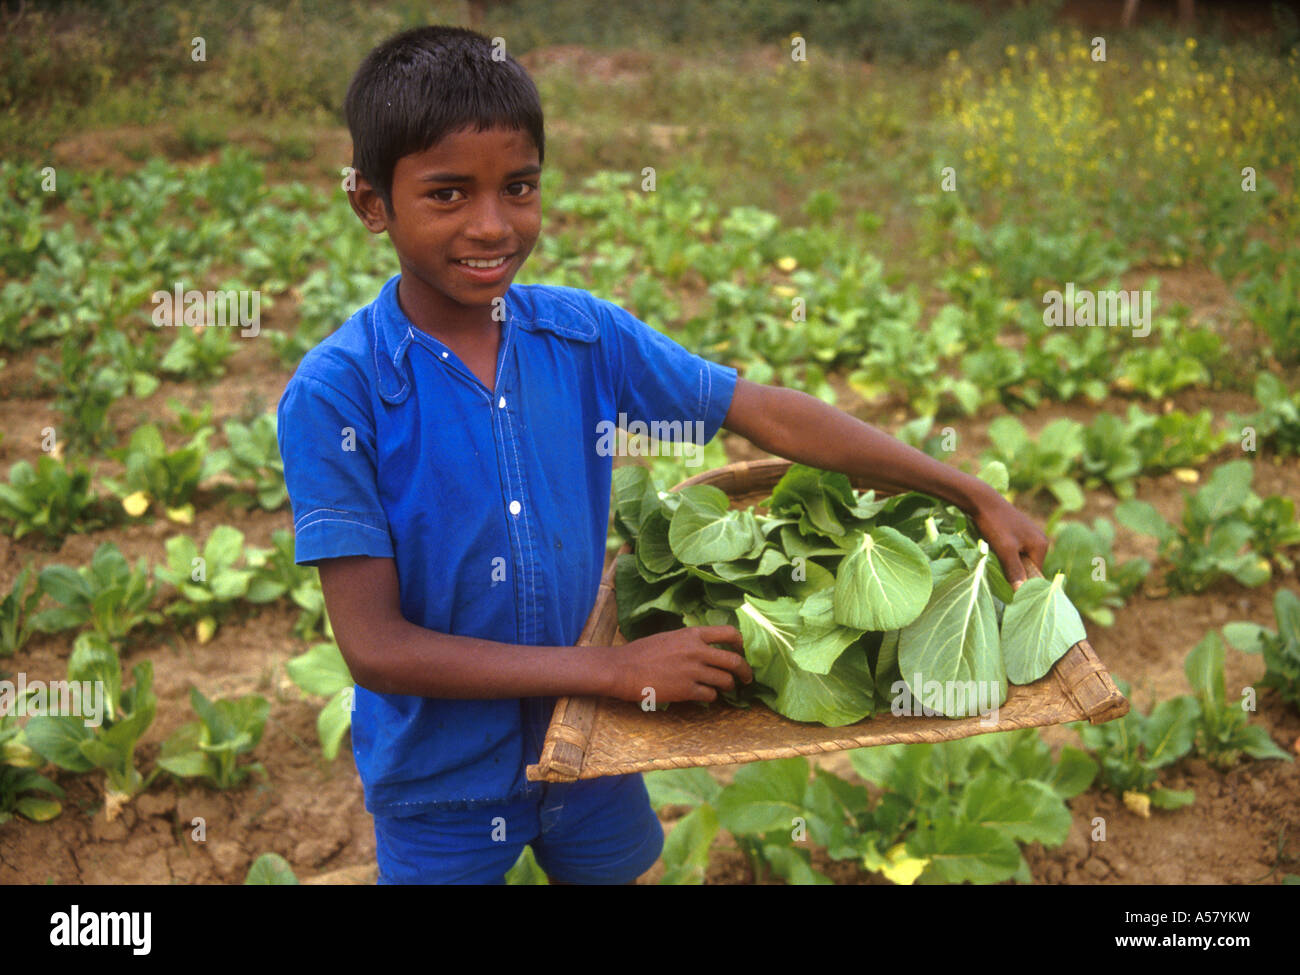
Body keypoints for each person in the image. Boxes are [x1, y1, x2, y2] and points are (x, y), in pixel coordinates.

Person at [276, 24, 1048, 885]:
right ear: (372, 203)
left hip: (595, 755)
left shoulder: (581, 335)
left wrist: (967, 488)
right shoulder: (337, 392)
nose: (492, 225)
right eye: (448, 194)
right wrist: (612, 668)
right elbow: (375, 646)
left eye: (519, 186)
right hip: (439, 784)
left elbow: (763, 412)